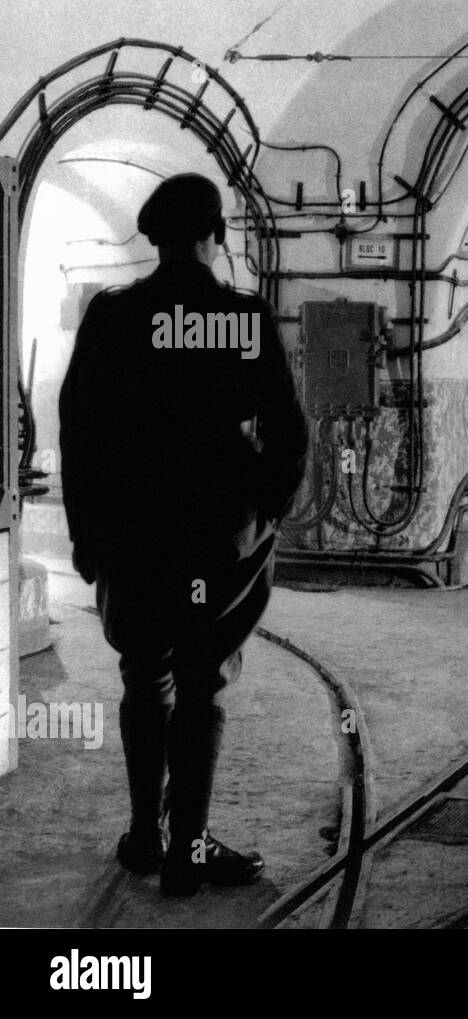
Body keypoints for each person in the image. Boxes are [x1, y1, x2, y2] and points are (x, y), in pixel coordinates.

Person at [60, 173, 308, 896]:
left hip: (133, 534)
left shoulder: (110, 315)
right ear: (217, 233)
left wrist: (86, 531)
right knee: (202, 683)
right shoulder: (242, 318)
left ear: (155, 237)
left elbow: (79, 431)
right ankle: (189, 851)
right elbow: (289, 435)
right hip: (215, 537)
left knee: (144, 673)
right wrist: (264, 513)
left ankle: (144, 834)